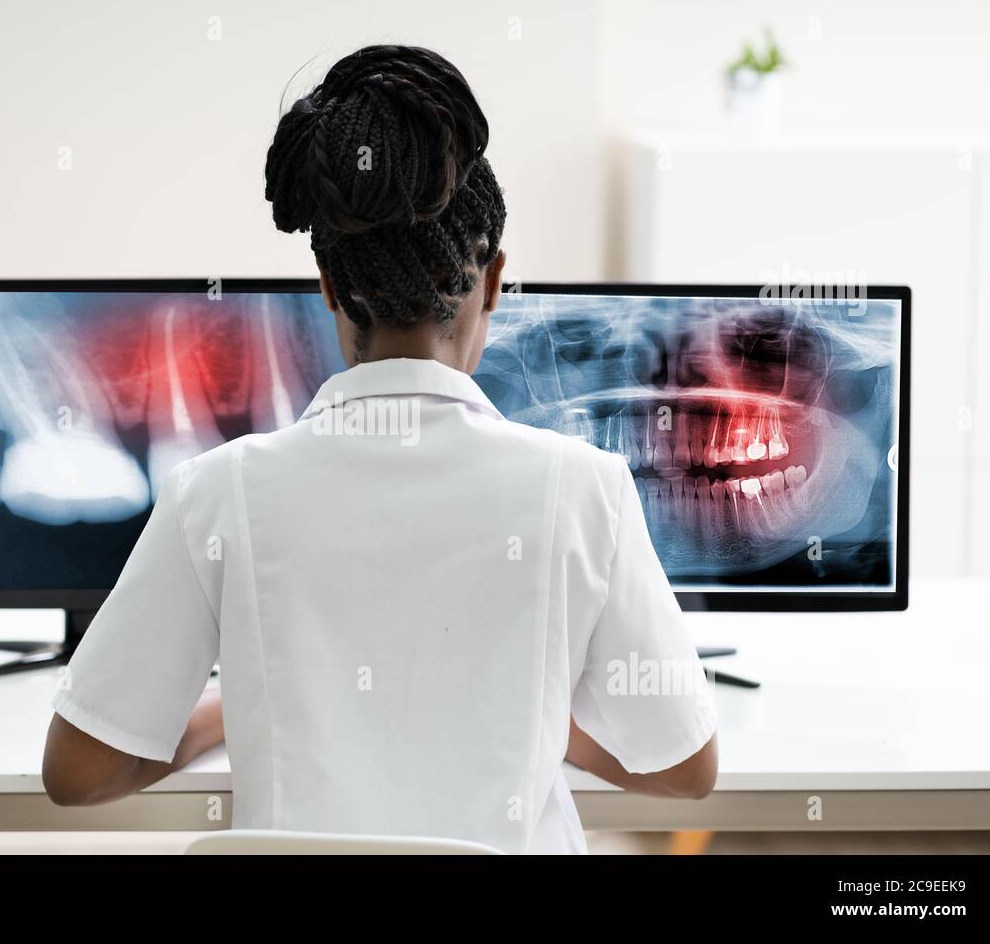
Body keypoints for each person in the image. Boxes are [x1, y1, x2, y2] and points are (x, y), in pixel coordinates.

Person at [42, 44, 716, 853]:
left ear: (327, 285)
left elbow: (76, 772)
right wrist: (534, 716)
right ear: (494, 280)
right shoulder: (584, 487)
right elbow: (686, 767)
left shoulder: (216, 491)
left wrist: (233, 710)